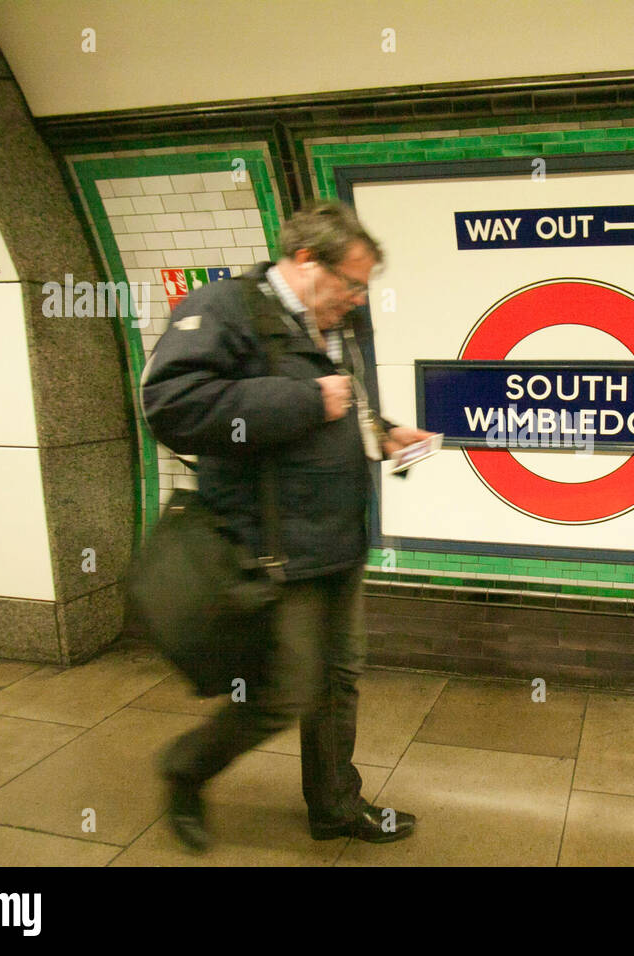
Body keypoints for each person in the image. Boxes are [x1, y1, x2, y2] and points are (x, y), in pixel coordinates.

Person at [140, 201, 429, 852]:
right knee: (285, 692)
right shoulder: (225, 308)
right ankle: (185, 769)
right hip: (274, 548)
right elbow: (171, 405)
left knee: (340, 679)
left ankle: (335, 805)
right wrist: (302, 399)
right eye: (350, 284)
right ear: (304, 262)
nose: (356, 300)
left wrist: (383, 435)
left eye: (362, 288)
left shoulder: (329, 328)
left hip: (337, 542)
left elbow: (339, 411)